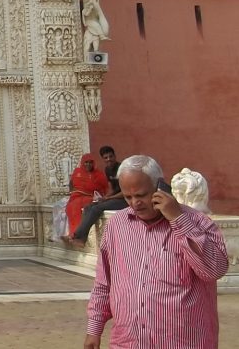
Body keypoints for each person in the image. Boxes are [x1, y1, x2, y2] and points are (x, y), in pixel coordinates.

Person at [85, 155, 228, 348]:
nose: (135, 203)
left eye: (141, 195)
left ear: (160, 187)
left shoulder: (198, 223)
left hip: (183, 342)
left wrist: (178, 219)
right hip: (129, 342)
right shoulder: (117, 226)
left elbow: (214, 270)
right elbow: (104, 282)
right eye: (128, 197)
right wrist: (94, 329)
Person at [67, 145, 126, 247]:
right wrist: (105, 197)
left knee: (96, 208)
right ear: (103, 159)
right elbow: (113, 189)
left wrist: (109, 198)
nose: (109, 159)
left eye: (111, 156)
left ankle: (77, 236)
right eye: (106, 158)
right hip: (116, 198)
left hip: (125, 200)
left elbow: (126, 192)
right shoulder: (108, 170)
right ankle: (82, 239)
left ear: (115, 156)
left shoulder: (122, 169)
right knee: (88, 207)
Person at [66, 153, 110, 237]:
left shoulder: (99, 174)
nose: (88, 164)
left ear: (93, 163)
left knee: (77, 205)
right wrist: (71, 192)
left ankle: (75, 233)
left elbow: (105, 187)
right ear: (83, 162)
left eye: (90, 162)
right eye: (86, 162)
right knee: (71, 207)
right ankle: (73, 232)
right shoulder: (77, 172)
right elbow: (71, 183)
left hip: (91, 197)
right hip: (76, 196)